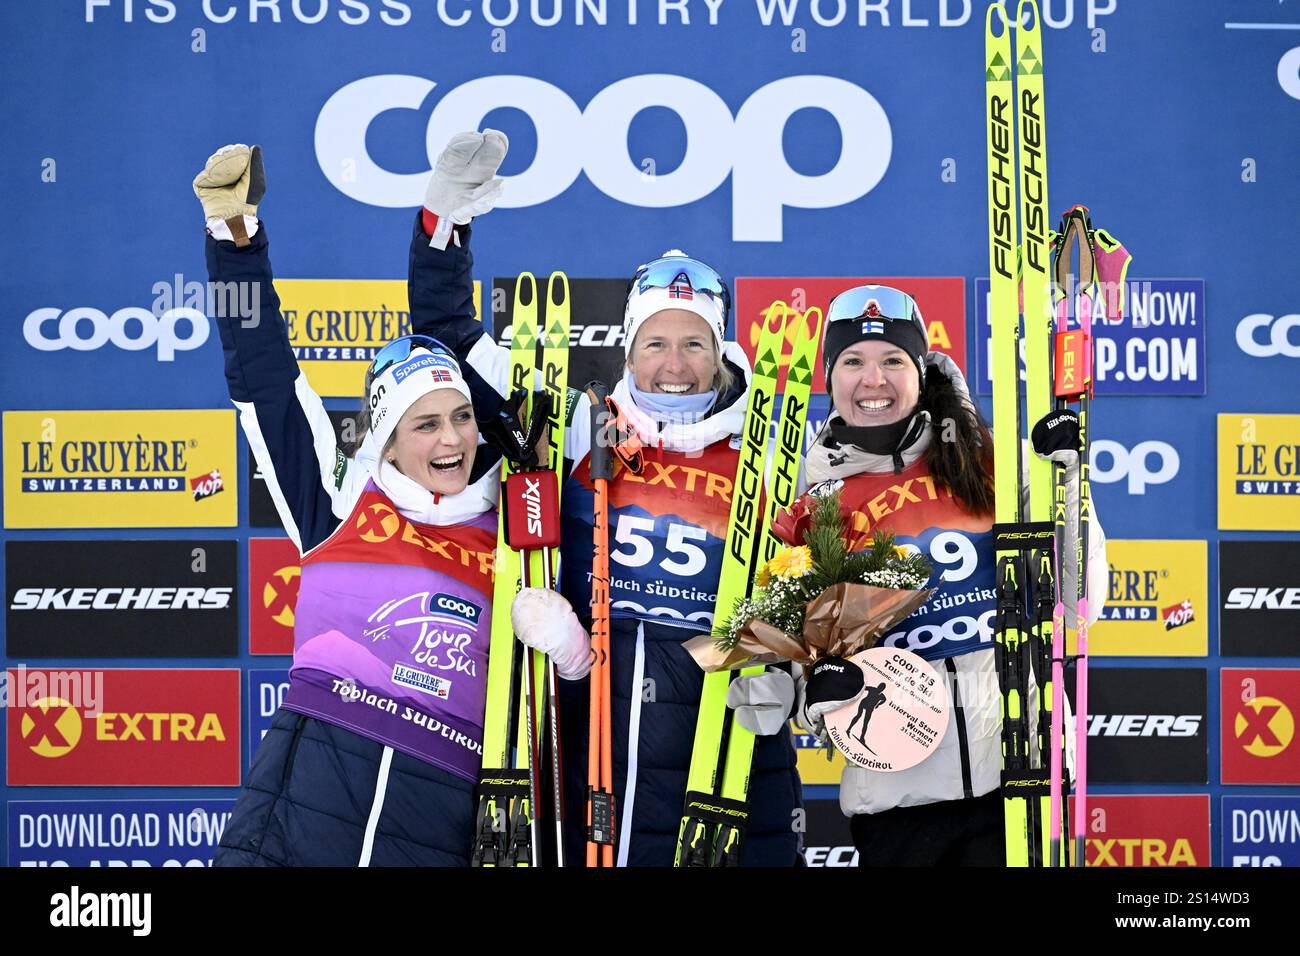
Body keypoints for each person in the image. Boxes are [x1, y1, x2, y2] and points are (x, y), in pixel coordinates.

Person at [408, 130, 804, 866]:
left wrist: (792, 674)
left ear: (723, 351)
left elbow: (842, 584)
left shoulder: (774, 453)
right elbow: (451, 343)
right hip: (592, 751)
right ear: (626, 350)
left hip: (732, 755)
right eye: (655, 343)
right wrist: (443, 228)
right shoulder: (571, 433)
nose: (675, 366)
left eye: (696, 344)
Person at [191, 143, 585, 866]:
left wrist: (571, 650)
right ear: (389, 439)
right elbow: (264, 377)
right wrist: (234, 240)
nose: (451, 438)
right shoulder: (341, 503)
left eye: (461, 417)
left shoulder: (518, 528)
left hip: (442, 810)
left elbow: (568, 690)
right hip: (302, 803)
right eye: (425, 424)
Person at [791, 284, 1106, 867]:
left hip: (1023, 769)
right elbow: (796, 664)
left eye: (893, 360)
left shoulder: (988, 462)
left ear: (920, 369)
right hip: (899, 797)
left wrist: (1068, 484)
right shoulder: (810, 501)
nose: (874, 380)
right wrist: (818, 696)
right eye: (853, 361)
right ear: (829, 377)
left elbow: (1083, 595)